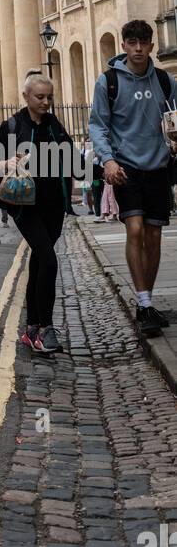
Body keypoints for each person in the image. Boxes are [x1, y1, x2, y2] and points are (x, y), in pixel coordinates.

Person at [89, 19, 177, 338]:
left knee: (154, 238)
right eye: (132, 42)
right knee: (135, 228)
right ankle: (142, 304)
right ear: (123, 45)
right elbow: (97, 125)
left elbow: (174, 119)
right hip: (125, 168)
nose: (138, 48)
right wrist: (108, 160)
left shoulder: (165, 82)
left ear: (152, 46)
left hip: (157, 168)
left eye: (144, 42)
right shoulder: (108, 82)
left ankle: (147, 300)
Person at [0, 73, 80, 356]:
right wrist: (6, 162)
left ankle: (30, 329)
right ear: (26, 96)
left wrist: (106, 171)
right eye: (40, 97)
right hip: (25, 206)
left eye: (50, 97)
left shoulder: (54, 125)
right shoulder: (12, 126)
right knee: (49, 260)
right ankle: (45, 329)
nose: (46, 102)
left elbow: (73, 159)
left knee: (40, 261)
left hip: (54, 204)